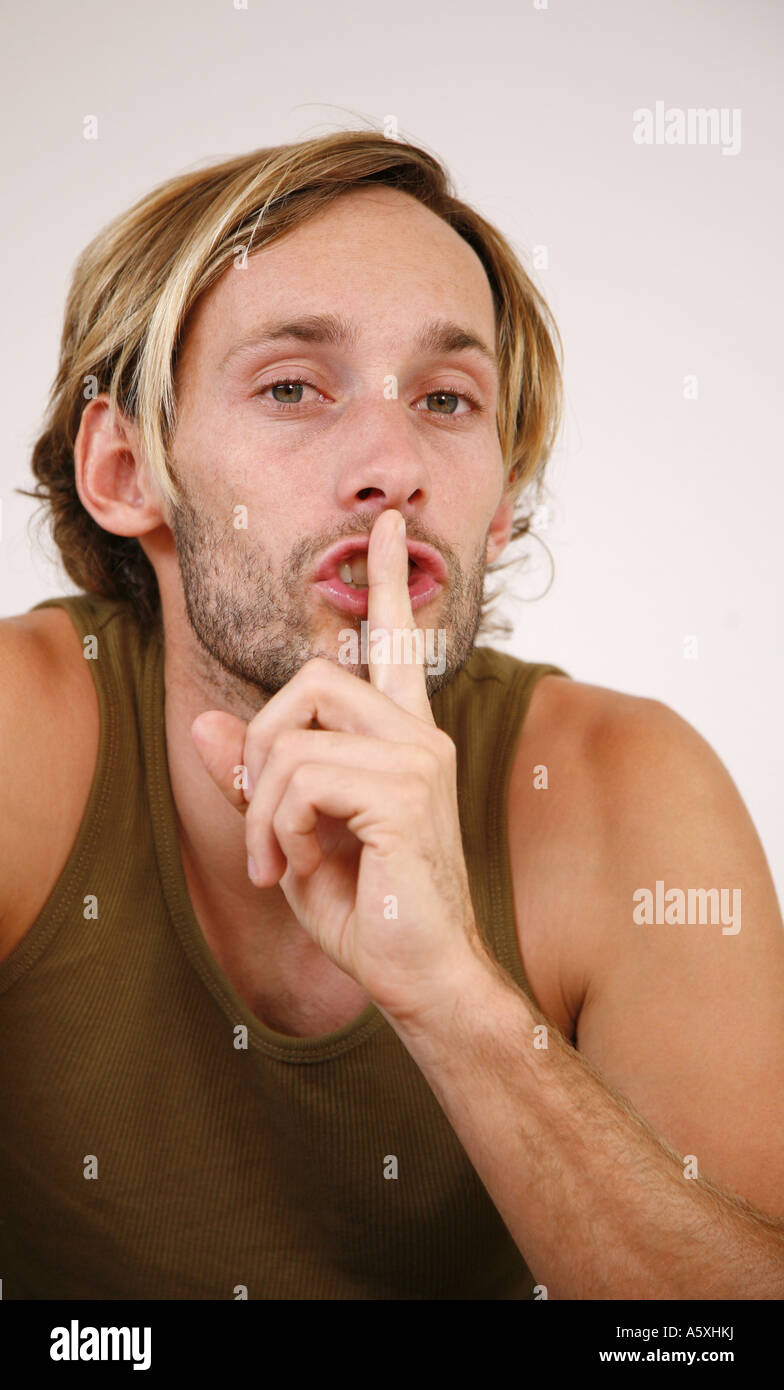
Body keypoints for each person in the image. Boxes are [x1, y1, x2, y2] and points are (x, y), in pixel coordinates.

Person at [1, 130, 782, 1301]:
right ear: (127, 472)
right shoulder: (22, 739)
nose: (393, 465)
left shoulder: (633, 790)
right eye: (292, 387)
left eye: (447, 400)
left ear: (502, 505)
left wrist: (456, 998)